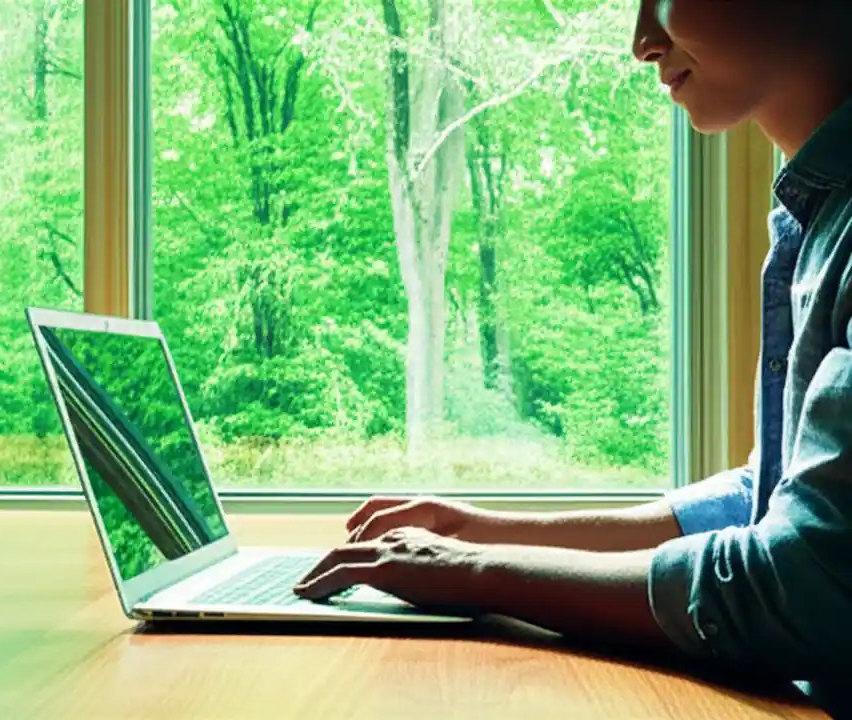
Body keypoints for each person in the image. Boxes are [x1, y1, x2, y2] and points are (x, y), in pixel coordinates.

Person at [295, 0, 852, 693]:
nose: (641, 42)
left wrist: (476, 574)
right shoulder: (824, 218)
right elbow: (770, 502)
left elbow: (802, 585)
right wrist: (481, 533)